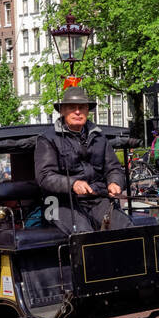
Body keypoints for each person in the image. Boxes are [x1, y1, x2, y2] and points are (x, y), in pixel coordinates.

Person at [35, 85, 132, 233]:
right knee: (84, 235)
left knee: (126, 227)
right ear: (62, 111)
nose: (78, 111)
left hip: (97, 199)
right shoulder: (47, 139)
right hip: (58, 203)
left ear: (88, 111)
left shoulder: (99, 137)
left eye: (82, 107)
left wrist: (115, 182)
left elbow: (114, 168)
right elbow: (44, 177)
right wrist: (73, 184)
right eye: (72, 108)